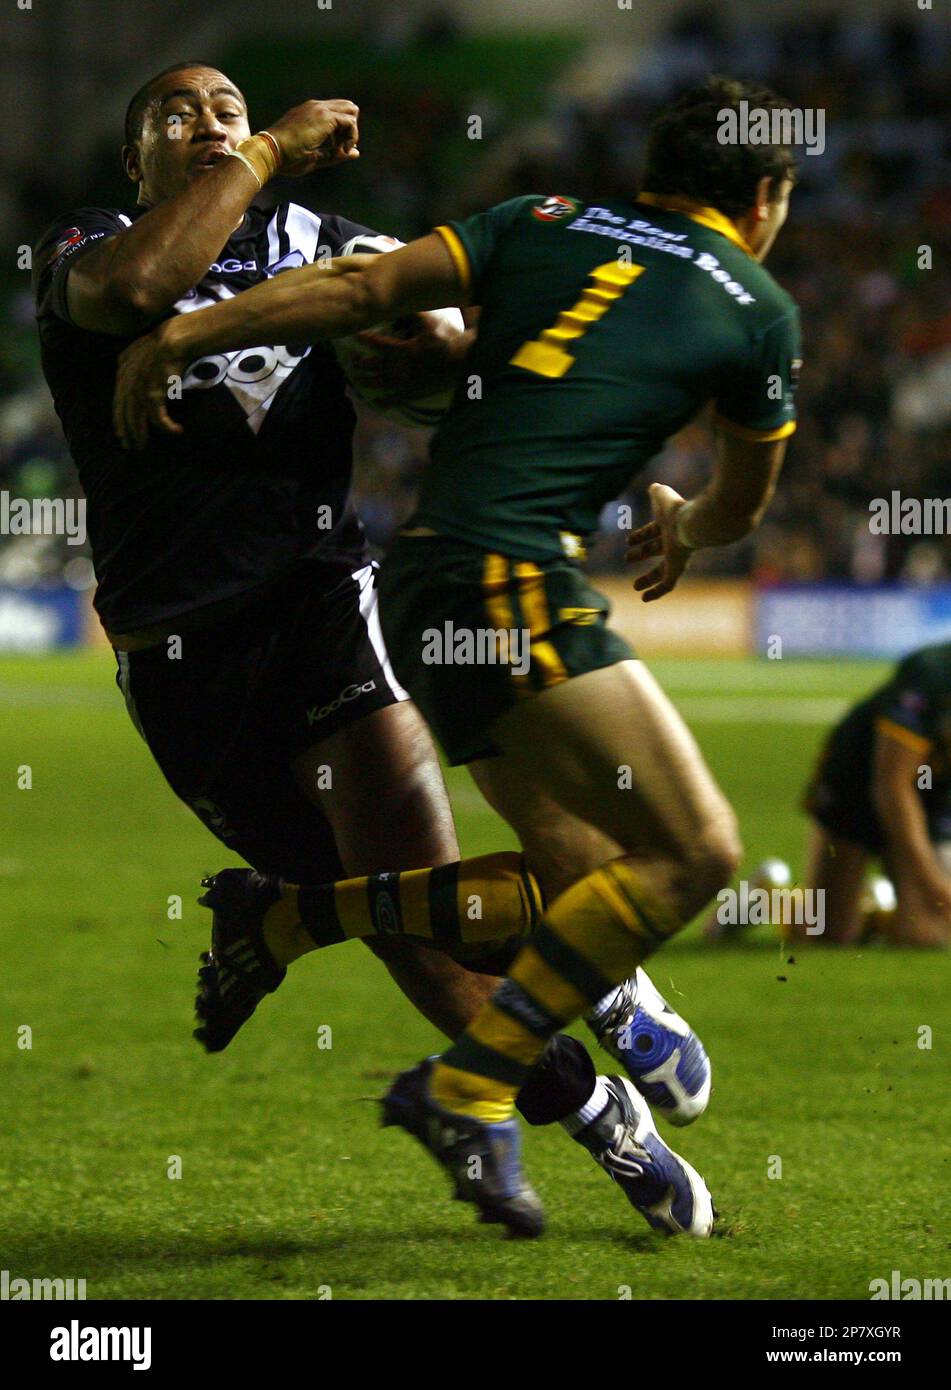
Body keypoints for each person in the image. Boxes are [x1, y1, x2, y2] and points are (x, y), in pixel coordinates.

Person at [112, 75, 801, 1238]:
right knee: (697, 851)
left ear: (653, 174)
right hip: (506, 580)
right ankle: (470, 1084)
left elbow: (369, 293)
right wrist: (684, 522)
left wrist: (193, 334)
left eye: (228, 109)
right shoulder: (757, 303)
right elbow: (741, 503)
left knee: (569, 881)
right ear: (767, 197)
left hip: (410, 582)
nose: (213, 125)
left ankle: (287, 925)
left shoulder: (541, 219)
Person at [801, 642, 951, 946]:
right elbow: (893, 786)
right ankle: (765, 899)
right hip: (857, 781)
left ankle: (876, 912)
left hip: (935, 788)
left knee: (927, 936)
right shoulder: (931, 672)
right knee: (827, 934)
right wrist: (933, 883)